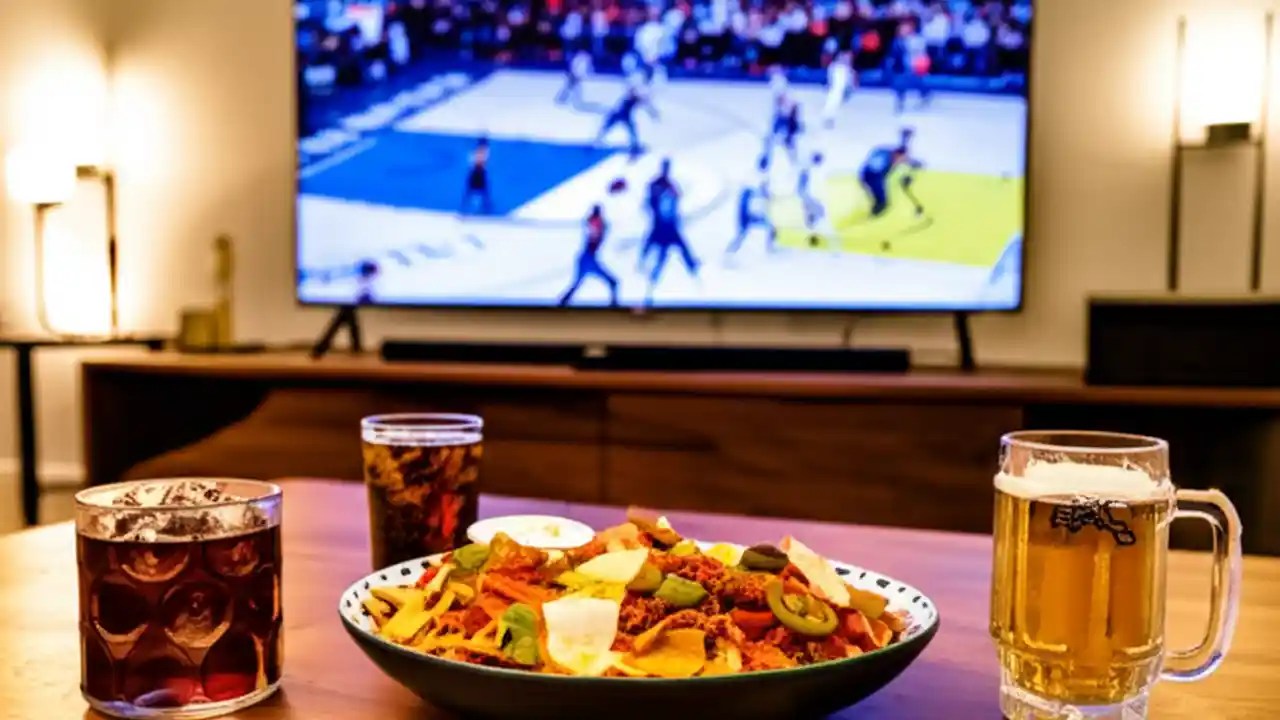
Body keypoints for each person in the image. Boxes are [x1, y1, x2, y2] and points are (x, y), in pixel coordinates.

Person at [641, 158, 700, 305]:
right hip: (661, 225)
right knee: (662, 249)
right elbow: (650, 200)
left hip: (670, 225)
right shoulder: (657, 183)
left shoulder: (668, 184)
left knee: (679, 246)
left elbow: (678, 195)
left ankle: (691, 266)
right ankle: (651, 277)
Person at [559, 204, 620, 306]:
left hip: (584, 258)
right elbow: (595, 232)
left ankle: (563, 302)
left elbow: (594, 229)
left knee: (576, 285)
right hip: (589, 258)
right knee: (613, 282)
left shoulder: (593, 223)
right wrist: (603, 228)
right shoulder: (596, 224)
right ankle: (614, 306)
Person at [859, 127, 924, 218]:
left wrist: (911, 168)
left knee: (882, 198)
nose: (901, 161)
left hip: (876, 174)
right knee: (882, 202)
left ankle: (877, 209)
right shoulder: (883, 158)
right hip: (872, 176)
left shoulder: (896, 156)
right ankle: (874, 214)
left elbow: (905, 160)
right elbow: (873, 167)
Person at [726, 157, 776, 256]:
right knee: (770, 225)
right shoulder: (762, 178)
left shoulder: (751, 175)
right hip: (750, 211)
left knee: (742, 233)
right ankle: (770, 247)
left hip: (744, 209)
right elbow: (765, 194)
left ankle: (729, 252)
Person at [595, 80, 658, 159]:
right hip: (619, 115)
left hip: (624, 116)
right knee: (609, 127)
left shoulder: (634, 98)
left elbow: (644, 103)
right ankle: (598, 139)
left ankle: (634, 145)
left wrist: (653, 113)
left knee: (631, 131)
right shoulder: (628, 98)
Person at [888, 20, 930, 114]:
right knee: (900, 84)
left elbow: (921, 53)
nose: (903, 31)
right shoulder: (896, 41)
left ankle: (925, 95)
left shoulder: (917, 39)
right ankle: (900, 102)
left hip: (915, 65)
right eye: (902, 29)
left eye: (906, 29)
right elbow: (893, 54)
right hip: (900, 67)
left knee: (917, 83)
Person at [798, 151, 835, 248]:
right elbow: (802, 188)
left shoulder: (813, 171)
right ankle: (814, 239)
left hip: (814, 199)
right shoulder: (807, 171)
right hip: (811, 199)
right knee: (815, 219)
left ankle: (816, 239)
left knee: (816, 220)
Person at [460, 137, 494, 214]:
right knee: (474, 191)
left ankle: (485, 207)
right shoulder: (480, 151)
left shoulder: (481, 151)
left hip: (478, 171)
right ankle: (465, 207)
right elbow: (477, 161)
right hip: (477, 171)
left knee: (479, 191)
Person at [822, 50, 855, 129]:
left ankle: (830, 118)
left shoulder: (848, 70)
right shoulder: (834, 67)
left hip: (840, 91)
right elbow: (830, 77)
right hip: (835, 90)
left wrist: (850, 88)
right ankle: (828, 118)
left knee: (835, 104)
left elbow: (849, 80)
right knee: (831, 103)